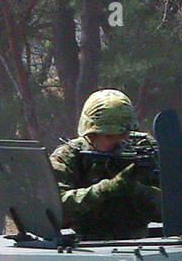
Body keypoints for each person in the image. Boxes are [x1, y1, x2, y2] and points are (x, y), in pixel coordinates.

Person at [50, 89, 162, 241]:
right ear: (90, 134)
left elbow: (171, 206)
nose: (119, 141)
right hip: (87, 246)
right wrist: (104, 190)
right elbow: (56, 210)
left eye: (124, 134)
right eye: (109, 136)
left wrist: (137, 190)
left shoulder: (144, 149)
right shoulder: (69, 157)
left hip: (140, 242)